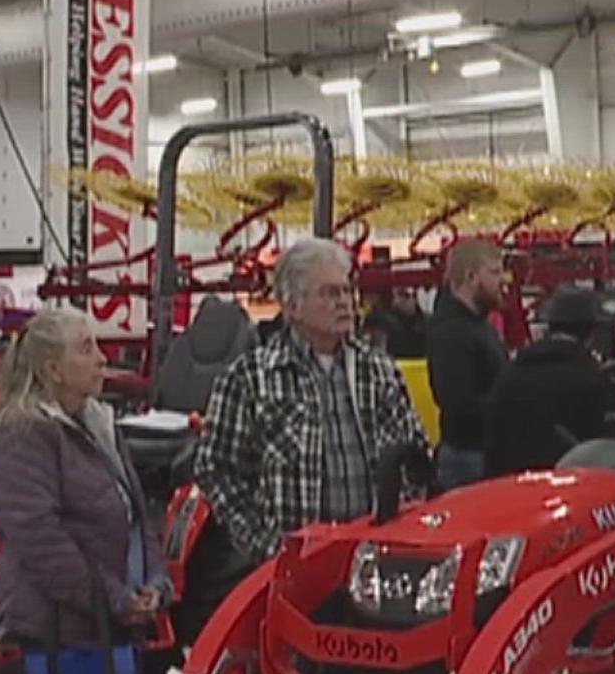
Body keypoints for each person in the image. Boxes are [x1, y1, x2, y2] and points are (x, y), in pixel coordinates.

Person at [0, 308, 166, 674]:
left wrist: (152, 581)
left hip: (105, 635)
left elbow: (135, 510)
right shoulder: (24, 433)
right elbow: (39, 538)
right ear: (52, 368)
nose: (102, 359)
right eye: (86, 349)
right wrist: (114, 598)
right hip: (50, 640)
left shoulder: (99, 424)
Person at [194, 239, 426, 562]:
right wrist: (265, 546)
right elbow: (216, 471)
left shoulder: (379, 370)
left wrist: (400, 530)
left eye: (346, 291)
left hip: (372, 561)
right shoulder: (250, 379)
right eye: (329, 293)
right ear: (293, 307)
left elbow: (415, 454)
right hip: (293, 565)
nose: (344, 302)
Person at [482, 287, 615, 477]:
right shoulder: (597, 383)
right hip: (572, 488)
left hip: (510, 488)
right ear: (592, 334)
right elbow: (614, 456)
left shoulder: (510, 374)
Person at [424, 239, 508, 490]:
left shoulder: (478, 326)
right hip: (469, 458)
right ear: (471, 277)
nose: (503, 280)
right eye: (494, 272)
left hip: (482, 453)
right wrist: (510, 399)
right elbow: (457, 403)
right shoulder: (452, 333)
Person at [365, 288, 427, 359]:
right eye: (401, 295)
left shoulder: (425, 321)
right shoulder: (382, 320)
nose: (404, 300)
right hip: (392, 362)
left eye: (408, 296)